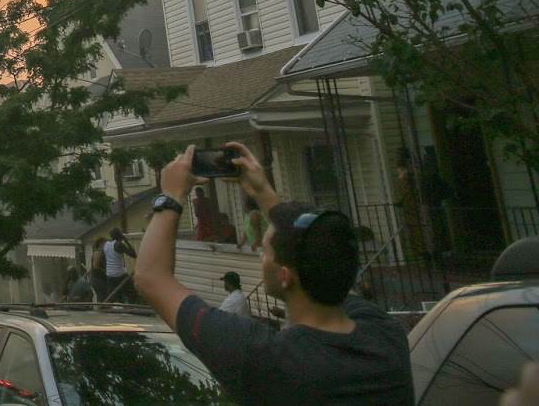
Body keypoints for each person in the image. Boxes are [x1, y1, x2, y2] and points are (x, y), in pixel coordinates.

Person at [133, 141, 412, 404]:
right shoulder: (386, 337)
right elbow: (325, 252)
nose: (262, 259)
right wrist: (263, 192)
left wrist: (170, 197)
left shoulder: (262, 357)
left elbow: (151, 278)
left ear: (285, 276)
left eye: (266, 252)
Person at [100, 228, 136, 301]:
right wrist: (126, 241)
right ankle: (134, 307)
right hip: (119, 275)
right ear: (119, 235)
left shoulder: (106, 244)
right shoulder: (119, 244)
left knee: (115, 299)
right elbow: (134, 255)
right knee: (132, 294)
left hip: (109, 275)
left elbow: (103, 259)